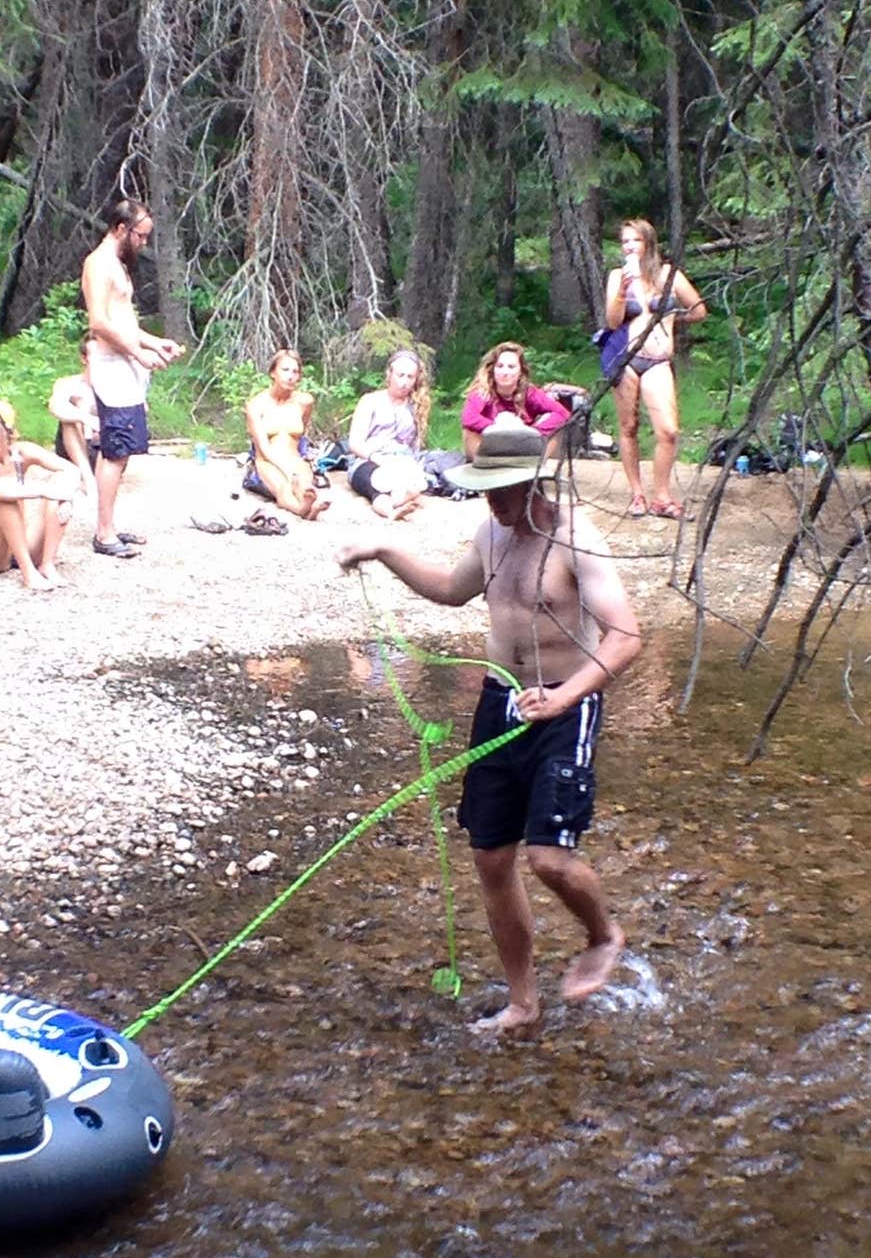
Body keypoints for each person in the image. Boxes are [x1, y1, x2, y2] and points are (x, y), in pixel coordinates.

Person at [337, 426, 642, 1032]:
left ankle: (603, 934)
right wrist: (385, 551)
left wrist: (563, 699)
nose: (493, 502)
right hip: (502, 701)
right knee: (491, 858)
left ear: (535, 484)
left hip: (566, 703)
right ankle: (523, 1003)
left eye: (503, 490)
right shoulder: (491, 533)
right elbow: (452, 591)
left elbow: (627, 637)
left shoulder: (576, 541)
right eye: (486, 490)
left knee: (549, 859)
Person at [79, 198, 186, 557]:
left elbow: (123, 322)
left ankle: (108, 524)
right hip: (112, 367)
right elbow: (99, 323)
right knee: (116, 450)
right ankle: (104, 534)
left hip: (126, 367)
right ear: (121, 229)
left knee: (119, 451)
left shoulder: (117, 264)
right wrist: (138, 353)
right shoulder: (98, 264)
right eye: (139, 235)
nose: (143, 242)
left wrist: (154, 343)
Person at [604, 217, 707, 520]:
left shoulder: (668, 275)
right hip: (626, 358)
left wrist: (672, 318)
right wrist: (623, 290)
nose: (629, 246)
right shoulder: (617, 276)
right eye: (624, 241)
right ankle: (637, 494)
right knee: (628, 426)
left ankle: (662, 497)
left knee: (669, 431)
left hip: (658, 361)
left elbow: (699, 310)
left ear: (648, 243)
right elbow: (612, 321)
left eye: (635, 240)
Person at [0, 399, 79, 593]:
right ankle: (28, 574)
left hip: (21, 544)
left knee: (59, 487)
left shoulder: (22, 451)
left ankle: (47, 564)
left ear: (6, 429)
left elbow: (71, 470)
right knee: (5, 494)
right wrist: (42, 489)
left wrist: (65, 497)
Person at [346, 347, 431, 520]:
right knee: (376, 485)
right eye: (400, 375)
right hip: (368, 460)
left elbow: (415, 445)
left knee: (414, 485)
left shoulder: (417, 406)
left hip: (401, 461)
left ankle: (399, 499)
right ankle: (391, 511)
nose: (404, 382)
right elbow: (354, 443)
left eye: (410, 377)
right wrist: (376, 457)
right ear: (389, 374)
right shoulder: (370, 401)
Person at [244, 349, 329, 520]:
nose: (290, 376)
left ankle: (308, 506)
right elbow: (263, 447)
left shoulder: (304, 402)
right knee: (283, 486)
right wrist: (286, 470)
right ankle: (302, 509)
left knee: (303, 484)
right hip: (267, 460)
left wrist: (297, 465)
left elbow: (302, 432)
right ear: (273, 373)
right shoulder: (256, 405)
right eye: (285, 370)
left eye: (295, 372)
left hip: (294, 457)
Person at [460, 341, 571, 460]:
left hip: (523, 445)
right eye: (500, 366)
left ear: (520, 372)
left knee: (555, 424)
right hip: (489, 446)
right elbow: (468, 418)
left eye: (511, 367)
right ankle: (482, 465)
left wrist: (532, 433)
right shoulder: (482, 392)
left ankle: (537, 464)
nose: (505, 372)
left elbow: (563, 413)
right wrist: (500, 428)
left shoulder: (530, 393)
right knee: (469, 431)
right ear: (492, 370)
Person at [49, 333, 99, 500]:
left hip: (104, 447)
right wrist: (86, 418)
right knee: (71, 410)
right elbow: (55, 406)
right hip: (73, 448)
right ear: (84, 358)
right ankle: (88, 480)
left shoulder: (116, 386)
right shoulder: (68, 383)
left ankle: (99, 476)